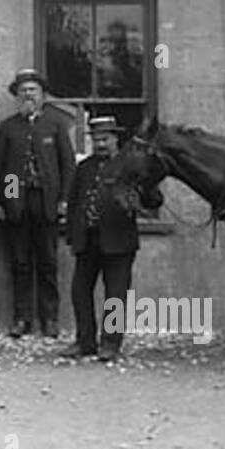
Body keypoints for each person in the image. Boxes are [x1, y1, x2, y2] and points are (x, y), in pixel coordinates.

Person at [63, 116, 163, 362]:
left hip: (118, 241)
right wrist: (73, 237)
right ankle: (84, 341)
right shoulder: (84, 168)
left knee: (115, 295)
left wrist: (145, 188)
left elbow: (155, 201)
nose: (100, 144)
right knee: (80, 291)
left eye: (105, 139)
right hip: (87, 241)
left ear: (115, 139)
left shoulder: (129, 166)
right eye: (96, 139)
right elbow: (74, 202)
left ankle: (110, 344)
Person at [0, 69, 76, 338]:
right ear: (17, 96)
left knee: (48, 263)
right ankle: (22, 319)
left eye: (33, 90)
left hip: (46, 201)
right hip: (18, 201)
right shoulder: (9, 126)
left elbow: (68, 166)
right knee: (20, 263)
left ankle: (49, 319)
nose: (28, 95)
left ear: (42, 95)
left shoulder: (55, 125)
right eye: (23, 91)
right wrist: (3, 201)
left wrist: (63, 200)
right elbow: (2, 169)